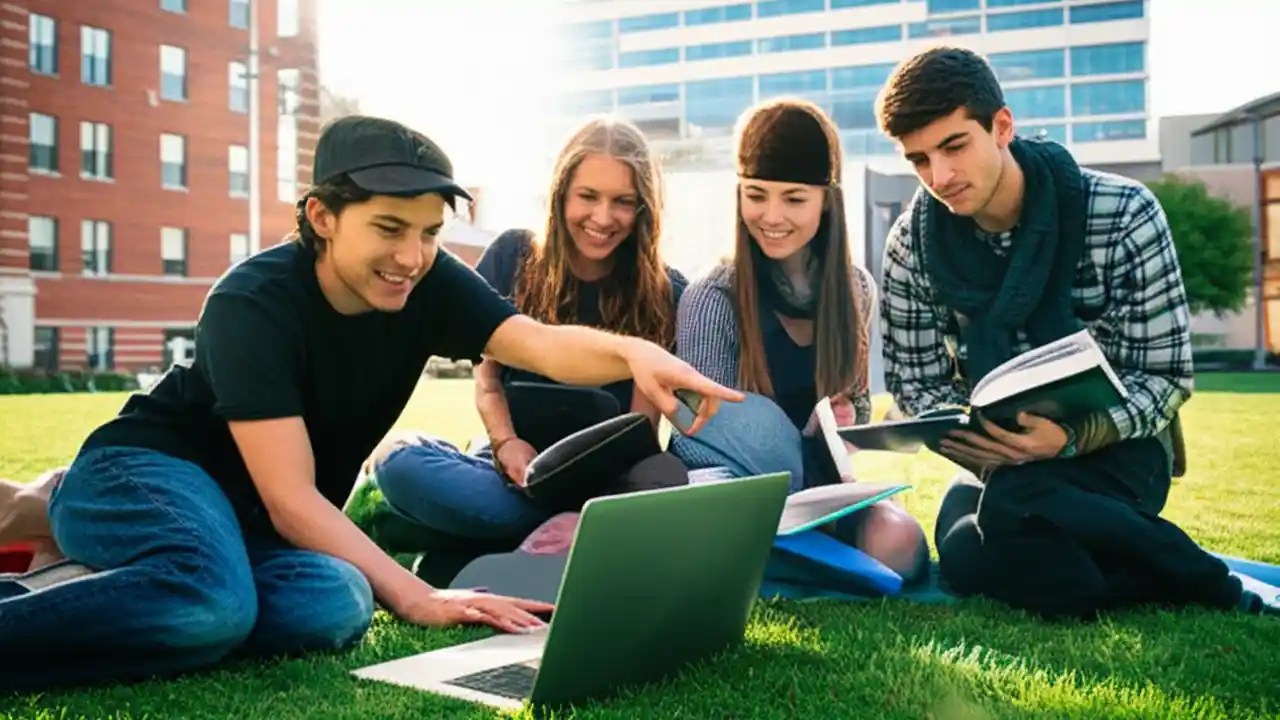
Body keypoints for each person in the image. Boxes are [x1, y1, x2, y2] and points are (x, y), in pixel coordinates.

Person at [0, 114, 742, 691]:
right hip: (152, 471)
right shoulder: (252, 303)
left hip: (252, 527)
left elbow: (540, 345)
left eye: (428, 232)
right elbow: (292, 498)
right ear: (322, 216)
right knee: (215, 605)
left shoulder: (428, 286)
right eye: (389, 228)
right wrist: (419, 596)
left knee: (336, 606)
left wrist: (635, 354)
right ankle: (123, 566)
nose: (413, 257)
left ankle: (112, 580)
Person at [874, 46, 1278, 618]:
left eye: (954, 146)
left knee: (1010, 508)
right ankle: (1140, 572)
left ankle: (1214, 583)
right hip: (998, 466)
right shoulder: (911, 243)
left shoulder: (1123, 213)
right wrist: (988, 447)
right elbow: (917, 385)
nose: (939, 176)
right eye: (919, 160)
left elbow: (1165, 378)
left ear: (1002, 127)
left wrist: (1068, 440)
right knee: (967, 551)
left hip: (1121, 453)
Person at [348, 116, 688, 574]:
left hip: (606, 484)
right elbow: (487, 378)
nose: (603, 218)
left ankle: (469, 545)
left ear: (643, 208)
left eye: (623, 202)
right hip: (506, 472)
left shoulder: (664, 290)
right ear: (561, 193)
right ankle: (571, 538)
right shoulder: (513, 256)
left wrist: (597, 498)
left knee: (666, 478)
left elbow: (640, 431)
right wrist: (507, 444)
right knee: (402, 463)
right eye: (588, 196)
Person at [669, 98, 928, 580]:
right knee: (716, 531)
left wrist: (842, 423)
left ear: (826, 201)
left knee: (902, 546)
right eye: (756, 194)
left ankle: (790, 556)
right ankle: (786, 554)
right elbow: (695, 437)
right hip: (732, 486)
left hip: (818, 488)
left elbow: (857, 410)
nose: (771, 216)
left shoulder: (855, 289)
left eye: (794, 199)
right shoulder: (713, 296)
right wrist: (790, 450)